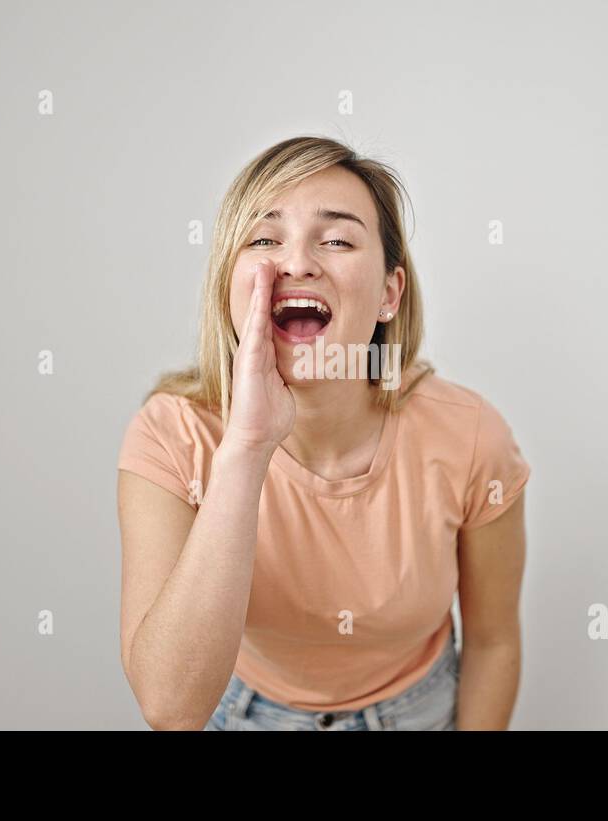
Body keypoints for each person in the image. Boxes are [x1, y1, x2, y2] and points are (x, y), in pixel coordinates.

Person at [116, 136, 530, 730]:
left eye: (336, 239)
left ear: (389, 293)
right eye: (264, 239)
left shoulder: (469, 436)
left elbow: (493, 644)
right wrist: (246, 449)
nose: (297, 262)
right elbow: (171, 708)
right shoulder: (171, 434)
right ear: (227, 284)